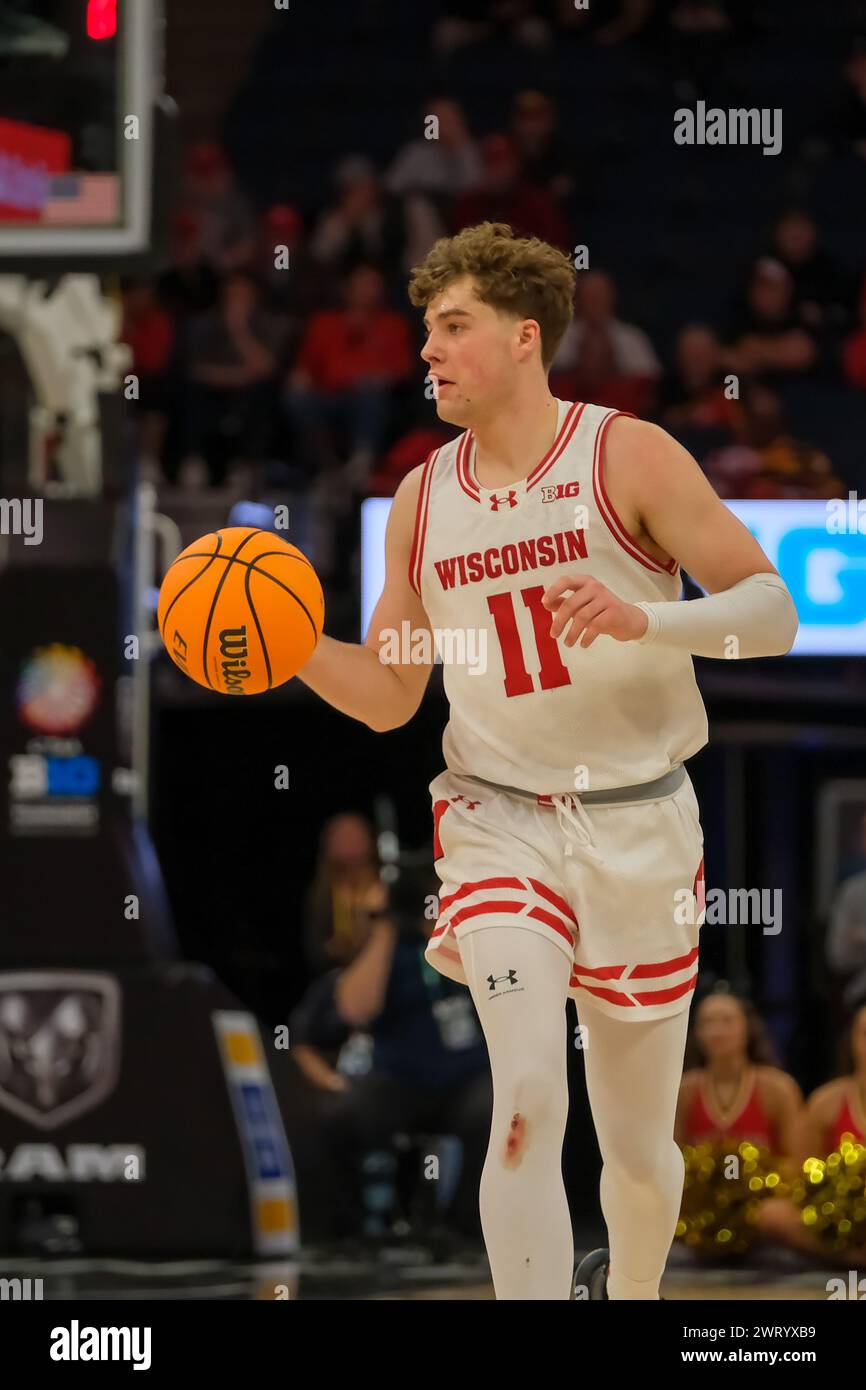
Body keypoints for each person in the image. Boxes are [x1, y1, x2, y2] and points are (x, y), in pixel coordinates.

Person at [295, 220, 799, 1300]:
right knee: (525, 1095)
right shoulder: (421, 501)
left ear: (525, 337)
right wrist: (293, 646)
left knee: (633, 1148)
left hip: (639, 820)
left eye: (450, 326)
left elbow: (771, 612)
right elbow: (390, 697)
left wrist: (643, 621)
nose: (425, 351)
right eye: (423, 330)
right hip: (497, 820)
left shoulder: (626, 454)